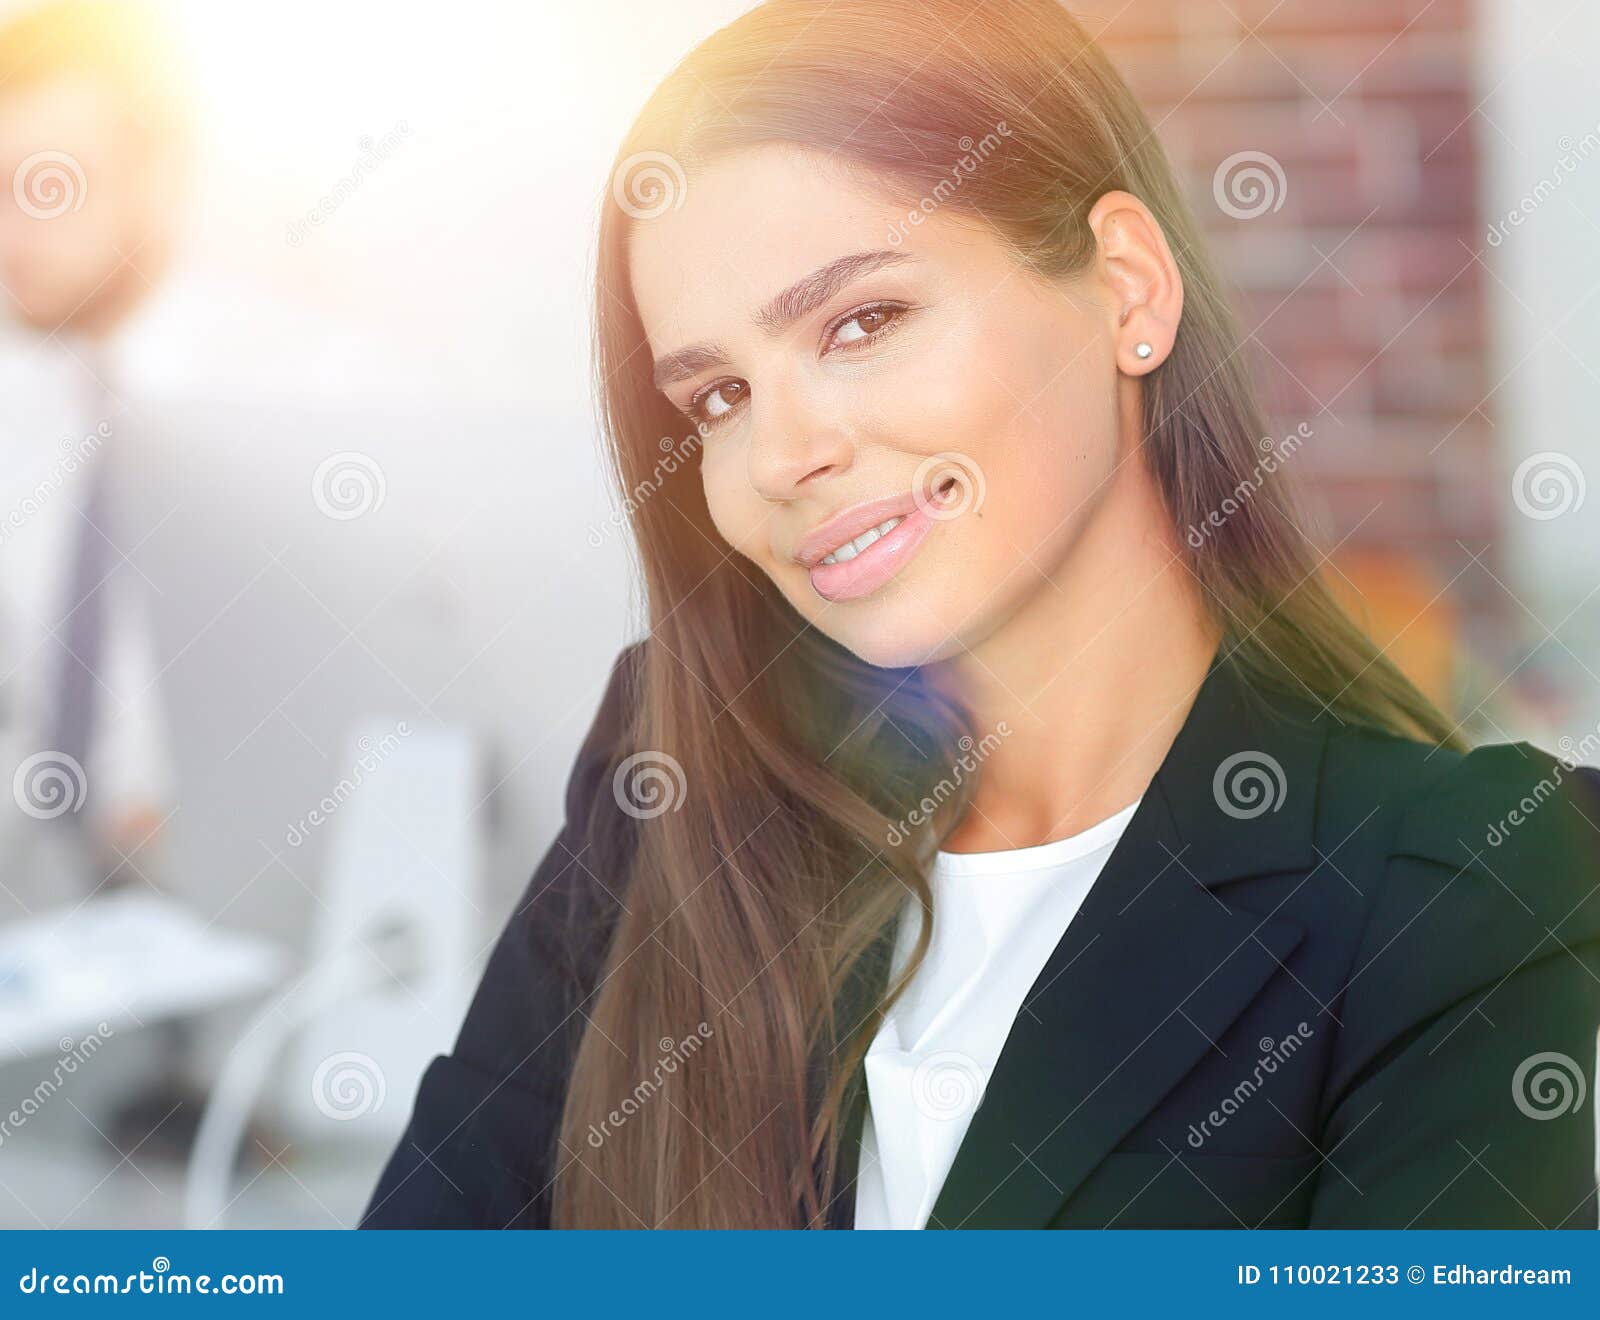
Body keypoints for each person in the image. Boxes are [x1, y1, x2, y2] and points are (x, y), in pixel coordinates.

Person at [362, 0, 1600, 1230]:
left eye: (862, 321)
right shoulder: (672, 786)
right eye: (720, 395)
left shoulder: (1469, 884)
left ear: (1126, 290)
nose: (782, 455)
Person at [0, 0, 188, 908]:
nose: (9, 236)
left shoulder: (279, 393)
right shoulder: (18, 402)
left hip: (230, 906)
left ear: (154, 181)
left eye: (49, 186)